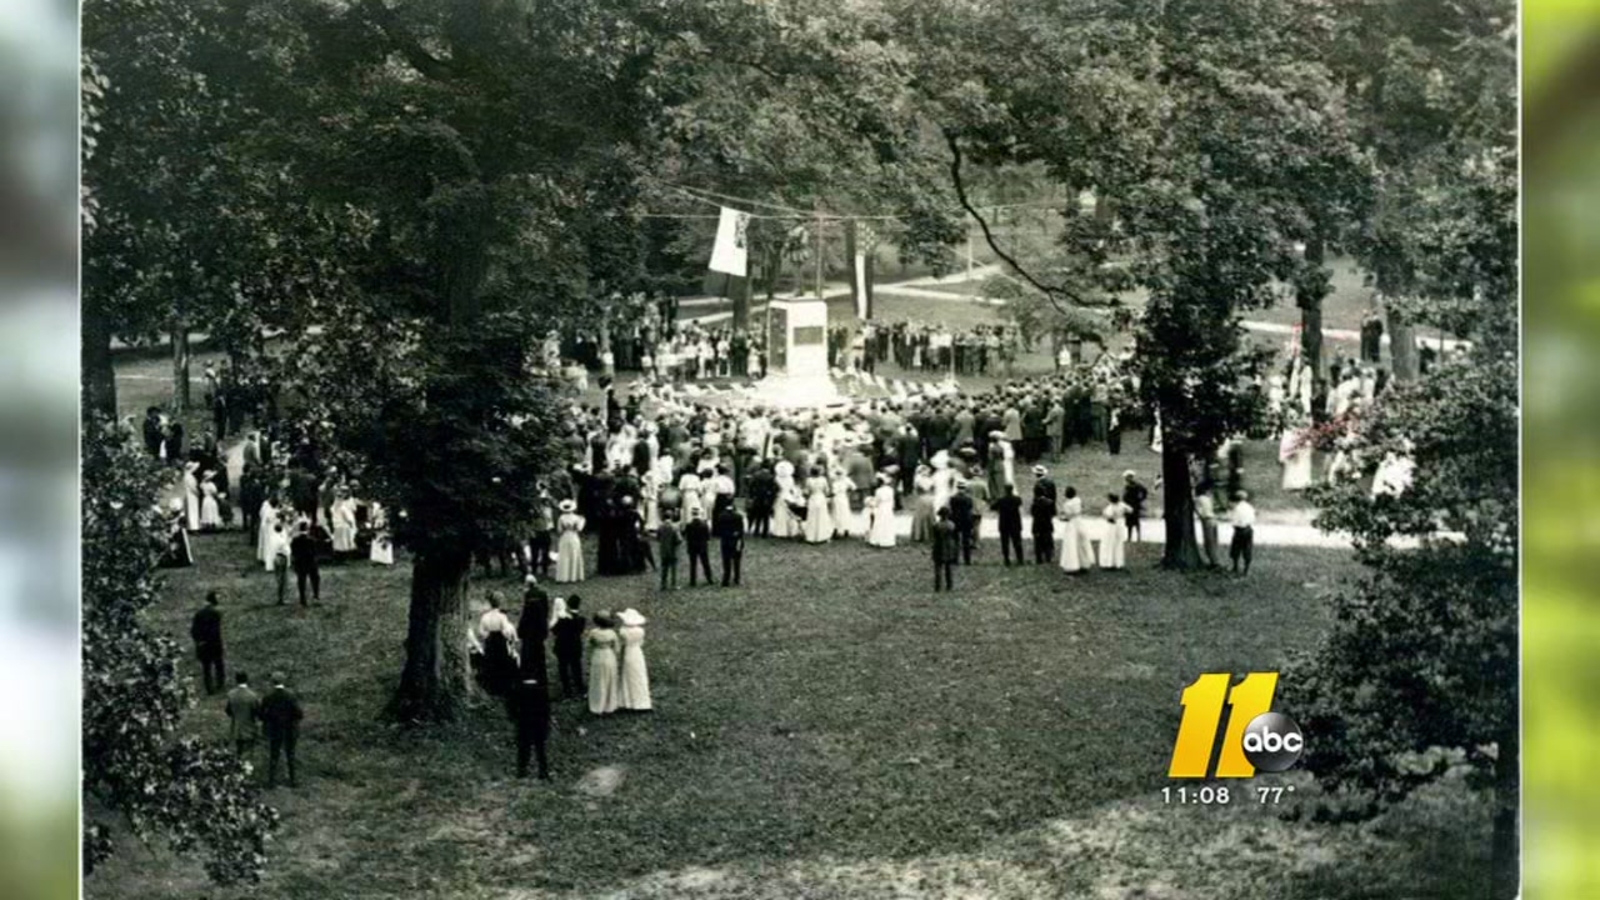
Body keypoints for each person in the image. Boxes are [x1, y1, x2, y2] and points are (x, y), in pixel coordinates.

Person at [259, 671, 304, 788]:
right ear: (284, 681)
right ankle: (293, 780)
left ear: (272, 682)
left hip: (275, 729)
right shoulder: (291, 695)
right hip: (290, 729)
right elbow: (299, 713)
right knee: (291, 755)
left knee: (274, 755)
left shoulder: (268, 696)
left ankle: (271, 781)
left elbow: (262, 714)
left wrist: (270, 720)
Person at [510, 676, 551, 780]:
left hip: (524, 721)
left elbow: (512, 706)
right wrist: (546, 722)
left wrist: (515, 717)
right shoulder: (540, 690)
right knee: (540, 748)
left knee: (524, 747)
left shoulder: (518, 689)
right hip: (538, 721)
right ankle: (543, 771)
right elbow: (546, 709)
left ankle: (522, 771)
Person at [616, 609, 653, 712]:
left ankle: (627, 701)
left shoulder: (623, 631)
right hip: (637, 652)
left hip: (628, 651)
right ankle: (641, 701)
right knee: (639, 675)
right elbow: (641, 642)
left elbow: (622, 642)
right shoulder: (640, 631)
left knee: (628, 675)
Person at [552, 595, 588, 700]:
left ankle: (567, 690)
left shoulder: (563, 620)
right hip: (575, 646)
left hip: (562, 646)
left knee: (563, 667)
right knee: (576, 667)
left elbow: (554, 630)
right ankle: (579, 687)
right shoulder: (581, 620)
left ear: (568, 605)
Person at [586, 612, 621, 716]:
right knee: (609, 678)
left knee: (598, 679)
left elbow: (589, 644)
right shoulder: (612, 633)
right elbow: (617, 648)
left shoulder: (593, 633)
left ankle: (597, 703)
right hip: (609, 656)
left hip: (598, 655)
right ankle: (609, 704)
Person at [190, 591, 225, 694]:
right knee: (218, 665)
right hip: (214, 644)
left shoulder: (198, 614)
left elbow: (193, 630)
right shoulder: (216, 614)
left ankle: (209, 688)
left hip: (203, 645)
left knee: (206, 668)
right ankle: (220, 684)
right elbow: (215, 631)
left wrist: (199, 641)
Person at [517, 584, 551, 681]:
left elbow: (520, 632)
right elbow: (545, 633)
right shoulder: (541, 618)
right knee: (539, 663)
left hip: (527, 643)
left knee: (528, 663)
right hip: (538, 643)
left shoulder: (526, 615)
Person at [1058, 487, 1093, 575]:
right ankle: (1084, 564)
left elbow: (1068, 517)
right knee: (1081, 543)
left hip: (1072, 524)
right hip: (1079, 522)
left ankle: (1072, 566)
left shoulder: (1067, 504)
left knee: (1071, 544)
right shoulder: (1078, 500)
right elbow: (1080, 509)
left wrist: (1062, 518)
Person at [224, 671, 260, 756]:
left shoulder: (231, 694)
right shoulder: (253, 696)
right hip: (249, 727)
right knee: (248, 752)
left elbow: (228, 711)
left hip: (236, 727)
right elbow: (257, 712)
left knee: (237, 750)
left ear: (236, 680)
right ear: (247, 680)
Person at [714, 500, 745, 587]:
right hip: (735, 541)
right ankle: (737, 578)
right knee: (736, 562)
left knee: (726, 562)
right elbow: (741, 531)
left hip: (725, 541)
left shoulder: (721, 516)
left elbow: (719, 530)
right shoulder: (738, 517)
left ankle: (726, 579)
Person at [290, 520, 321, 606]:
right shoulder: (311, 540)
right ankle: (316, 596)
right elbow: (315, 553)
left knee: (301, 581)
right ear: (307, 529)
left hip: (300, 563)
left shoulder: (295, 540)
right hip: (311, 563)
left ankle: (302, 599)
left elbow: (293, 552)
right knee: (315, 580)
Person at [554, 499, 586, 583]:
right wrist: (582, 521)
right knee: (574, 555)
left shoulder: (561, 518)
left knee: (564, 556)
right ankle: (574, 576)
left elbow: (559, 530)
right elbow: (579, 529)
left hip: (565, 537)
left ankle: (564, 577)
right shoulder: (576, 518)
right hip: (574, 537)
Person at [948, 481, 977, 565]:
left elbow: (951, 509)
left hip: (956, 520)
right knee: (966, 541)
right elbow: (970, 508)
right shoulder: (968, 499)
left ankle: (955, 559)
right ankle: (967, 560)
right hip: (966, 521)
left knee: (955, 540)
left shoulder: (953, 498)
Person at [995, 484, 1024, 566]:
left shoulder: (1001, 500)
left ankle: (1006, 559)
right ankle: (1020, 559)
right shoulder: (1017, 499)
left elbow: (993, 507)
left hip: (1004, 524)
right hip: (1015, 523)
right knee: (1017, 542)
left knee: (1005, 543)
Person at [802, 465, 833, 544]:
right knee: (822, 517)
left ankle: (811, 536)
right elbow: (827, 491)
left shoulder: (808, 480)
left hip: (813, 498)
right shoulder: (823, 480)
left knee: (812, 518)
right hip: (821, 498)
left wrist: (806, 495)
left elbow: (806, 492)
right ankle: (822, 536)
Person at [1100, 493, 1130, 570]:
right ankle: (1118, 563)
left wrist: (1106, 515)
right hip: (1120, 524)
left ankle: (1108, 563)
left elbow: (1108, 516)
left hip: (1111, 526)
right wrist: (1123, 513)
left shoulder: (1110, 507)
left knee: (1109, 543)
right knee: (1118, 543)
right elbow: (1130, 510)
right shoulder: (1122, 505)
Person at [1195, 480, 1221, 569]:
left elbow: (1199, 511)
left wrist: (1200, 516)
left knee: (1209, 541)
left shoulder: (1199, 499)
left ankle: (1214, 562)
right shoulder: (1207, 498)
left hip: (1207, 519)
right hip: (1213, 519)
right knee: (1213, 541)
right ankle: (1215, 560)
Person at [684, 507, 713, 586]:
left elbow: (687, 537)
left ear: (692, 514)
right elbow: (707, 537)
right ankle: (709, 579)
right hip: (702, 546)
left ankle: (692, 581)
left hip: (692, 547)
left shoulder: (689, 525)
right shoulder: (704, 525)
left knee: (693, 564)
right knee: (705, 563)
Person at [1229, 490, 1256, 576]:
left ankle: (1235, 566)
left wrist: (1234, 525)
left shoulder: (1237, 508)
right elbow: (1253, 519)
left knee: (1236, 548)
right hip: (1248, 529)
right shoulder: (1250, 507)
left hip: (1239, 530)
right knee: (1247, 548)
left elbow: (1234, 521)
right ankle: (1246, 569)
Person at [867, 473, 897, 549]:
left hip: (881, 508)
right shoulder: (891, 490)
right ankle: (888, 540)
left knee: (880, 523)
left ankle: (878, 540)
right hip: (888, 509)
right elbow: (892, 501)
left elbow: (877, 501)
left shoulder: (878, 491)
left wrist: (870, 503)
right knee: (887, 524)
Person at [931, 507, 958, 592]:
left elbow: (934, 536)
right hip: (949, 546)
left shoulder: (936, 525)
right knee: (949, 568)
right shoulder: (952, 525)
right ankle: (950, 585)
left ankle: (938, 586)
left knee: (938, 568)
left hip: (939, 546)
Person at [1030, 490, 1057, 564]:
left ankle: (1039, 559)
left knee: (1038, 542)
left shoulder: (1035, 503)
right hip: (1047, 524)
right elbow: (1054, 513)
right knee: (1048, 541)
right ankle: (1048, 557)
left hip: (1038, 525)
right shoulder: (1050, 502)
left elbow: (1032, 513)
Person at [1121, 471, 1149, 542]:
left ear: (1130, 477)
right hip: (1128, 506)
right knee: (1129, 522)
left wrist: (1141, 499)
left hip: (1134, 505)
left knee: (1136, 522)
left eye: (1127, 478)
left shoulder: (1136, 485)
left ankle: (1138, 537)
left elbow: (1145, 491)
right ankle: (1129, 537)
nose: (1126, 479)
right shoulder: (1127, 485)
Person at [656, 515, 682, 591]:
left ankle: (663, 584)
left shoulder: (660, 527)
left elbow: (657, 538)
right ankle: (673, 585)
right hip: (673, 551)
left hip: (663, 550)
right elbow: (679, 540)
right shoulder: (674, 527)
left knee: (664, 568)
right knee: (673, 569)